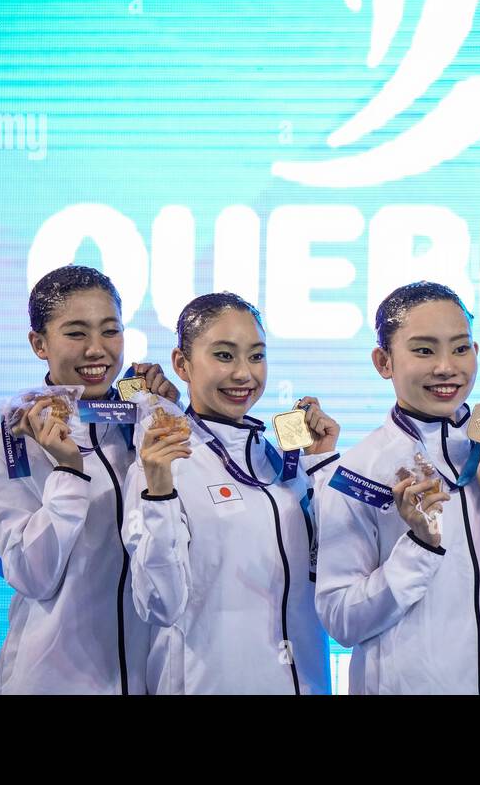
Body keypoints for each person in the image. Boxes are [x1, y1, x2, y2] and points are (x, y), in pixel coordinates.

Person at [315, 281, 480, 693]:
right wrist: (420, 546)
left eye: (460, 348)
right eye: (424, 350)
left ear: (476, 353)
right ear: (383, 361)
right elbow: (341, 619)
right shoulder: (357, 472)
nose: (446, 366)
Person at [122, 292, 339, 693]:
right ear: (181, 364)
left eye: (256, 356)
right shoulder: (163, 464)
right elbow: (158, 604)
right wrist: (159, 496)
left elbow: (330, 569)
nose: (244, 374)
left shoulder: (277, 461)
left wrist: (319, 464)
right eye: (224, 356)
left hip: (303, 680)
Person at [0, 265, 176, 694]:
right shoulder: (13, 442)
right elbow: (32, 575)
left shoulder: (143, 422)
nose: (96, 349)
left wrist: (174, 414)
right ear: (38, 343)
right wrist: (69, 471)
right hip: (52, 680)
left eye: (110, 331)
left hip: (147, 677)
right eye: (76, 333)